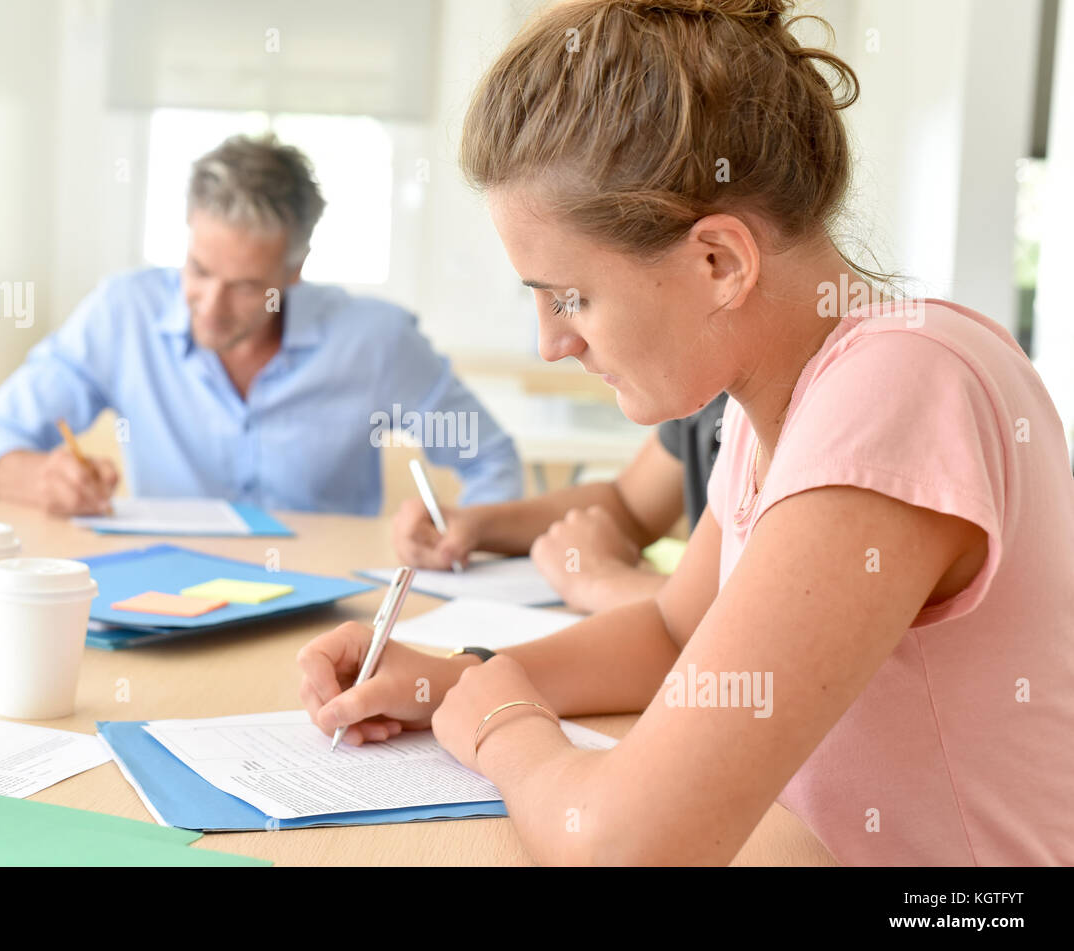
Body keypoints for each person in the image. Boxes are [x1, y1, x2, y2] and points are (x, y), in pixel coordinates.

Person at [297, 0, 1074, 865]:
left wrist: (505, 725)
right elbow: (677, 637)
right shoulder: (775, 405)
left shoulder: (902, 386)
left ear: (720, 263)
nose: (553, 342)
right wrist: (452, 674)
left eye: (571, 297)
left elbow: (625, 850)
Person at [0, 134, 523, 516]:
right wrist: (37, 478)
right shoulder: (122, 314)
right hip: (165, 606)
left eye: (248, 286)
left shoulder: (374, 342)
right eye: (199, 269)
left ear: (295, 270)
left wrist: (462, 531)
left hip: (329, 619)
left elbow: (493, 460)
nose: (211, 304)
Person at [392, 393, 727, 612]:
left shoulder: (773, 417)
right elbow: (628, 508)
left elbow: (766, 617)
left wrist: (601, 582)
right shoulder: (710, 397)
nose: (552, 348)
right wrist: (477, 525)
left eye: (579, 300)